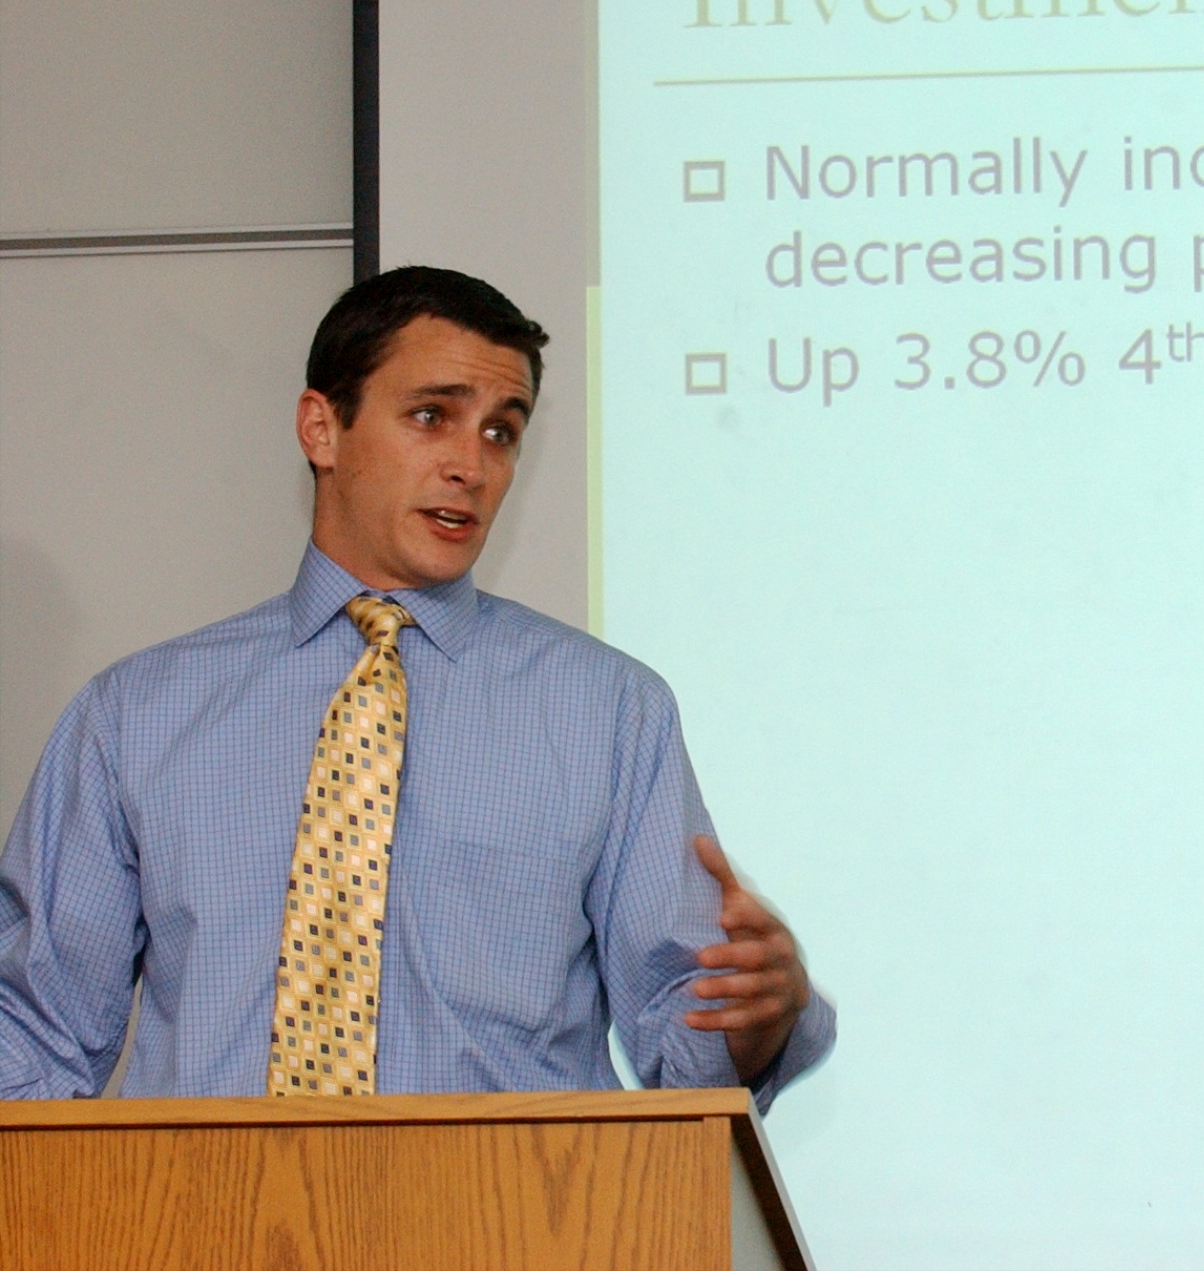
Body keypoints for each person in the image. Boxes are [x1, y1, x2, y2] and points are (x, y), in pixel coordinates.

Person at [0, 267, 833, 1106]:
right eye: (432, 416)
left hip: (514, 1194)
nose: (472, 465)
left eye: (502, 432)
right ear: (321, 429)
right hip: (209, 1192)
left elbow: (687, 1053)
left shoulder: (610, 711)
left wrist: (758, 1014)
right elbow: (36, 1037)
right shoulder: (137, 715)